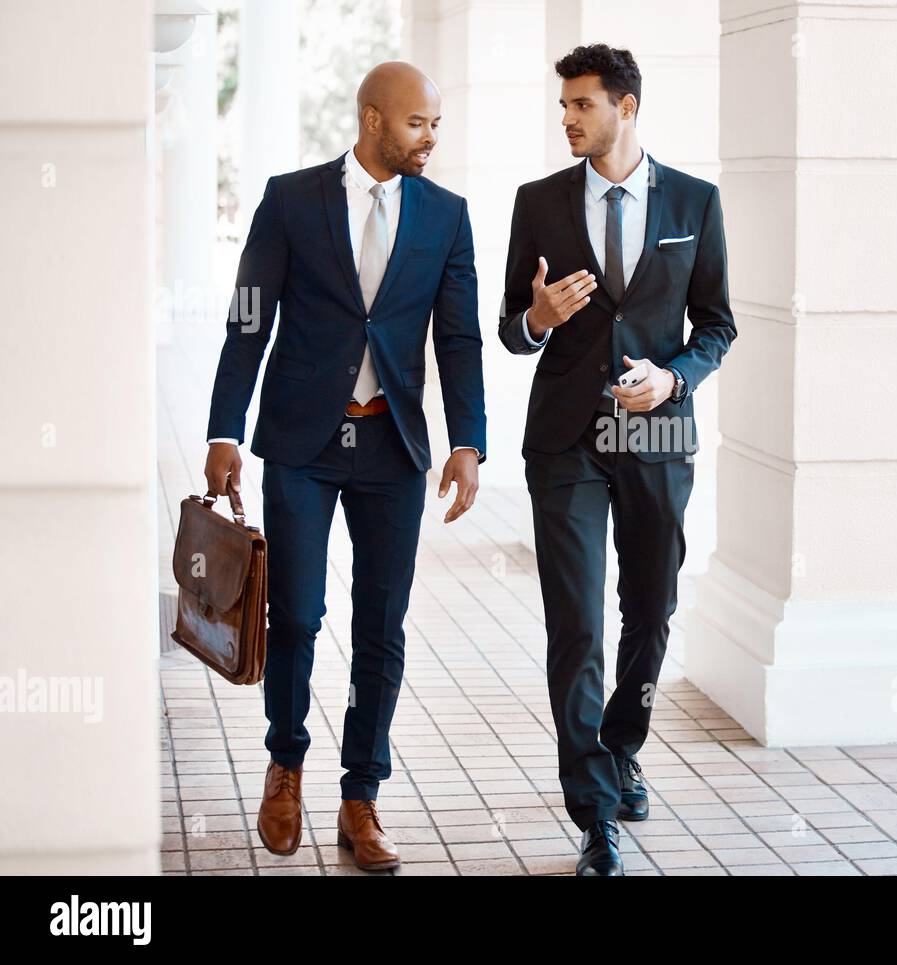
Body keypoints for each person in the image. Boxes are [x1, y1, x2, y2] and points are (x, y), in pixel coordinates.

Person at [204, 61, 486, 872]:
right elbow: (248, 319)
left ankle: (361, 793)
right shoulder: (291, 199)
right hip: (301, 440)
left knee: (381, 628)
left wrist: (467, 438)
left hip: (390, 446)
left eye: (436, 124)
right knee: (294, 614)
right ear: (371, 119)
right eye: (418, 124)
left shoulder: (446, 215)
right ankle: (285, 764)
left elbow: (458, 337)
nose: (432, 137)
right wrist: (225, 427)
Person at [498, 43, 737, 875]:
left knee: (653, 607)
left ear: (626, 107)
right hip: (564, 438)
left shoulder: (695, 202)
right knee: (578, 624)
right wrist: (536, 317)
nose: (567, 118)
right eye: (563, 106)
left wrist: (674, 377)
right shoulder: (539, 203)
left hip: (656, 433)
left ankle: (623, 745)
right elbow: (510, 328)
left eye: (582, 105)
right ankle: (595, 811)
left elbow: (717, 326)